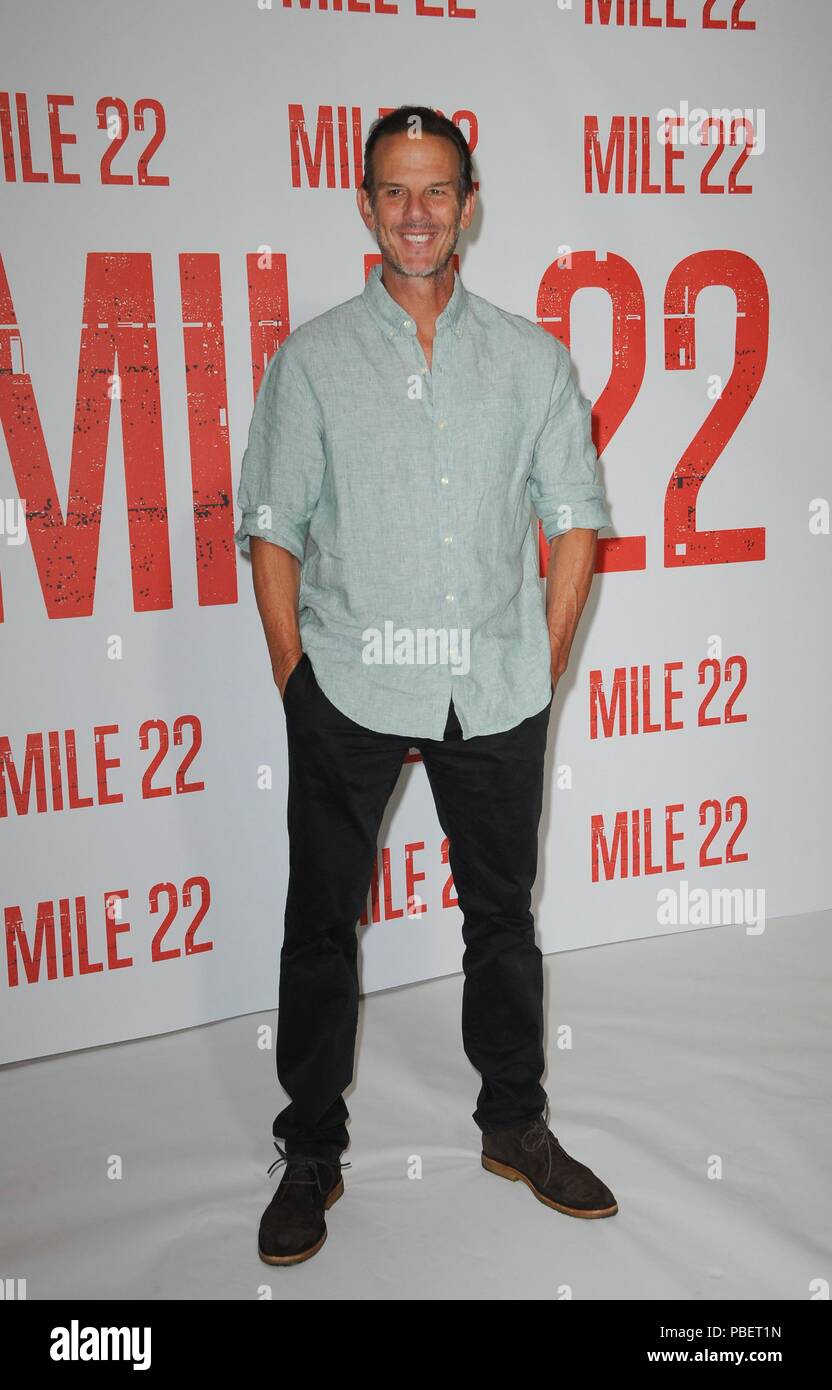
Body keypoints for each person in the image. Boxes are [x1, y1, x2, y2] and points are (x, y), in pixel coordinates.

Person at [235, 105, 618, 1267]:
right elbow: (272, 528)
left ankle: (514, 1124)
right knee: (320, 923)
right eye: (395, 191)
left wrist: (539, 668)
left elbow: (576, 524)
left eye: (437, 190)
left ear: (468, 202)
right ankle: (310, 1146)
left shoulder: (532, 359)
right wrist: (297, 680)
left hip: (495, 689)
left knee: (502, 919)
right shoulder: (310, 360)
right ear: (364, 204)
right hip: (347, 682)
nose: (416, 211)